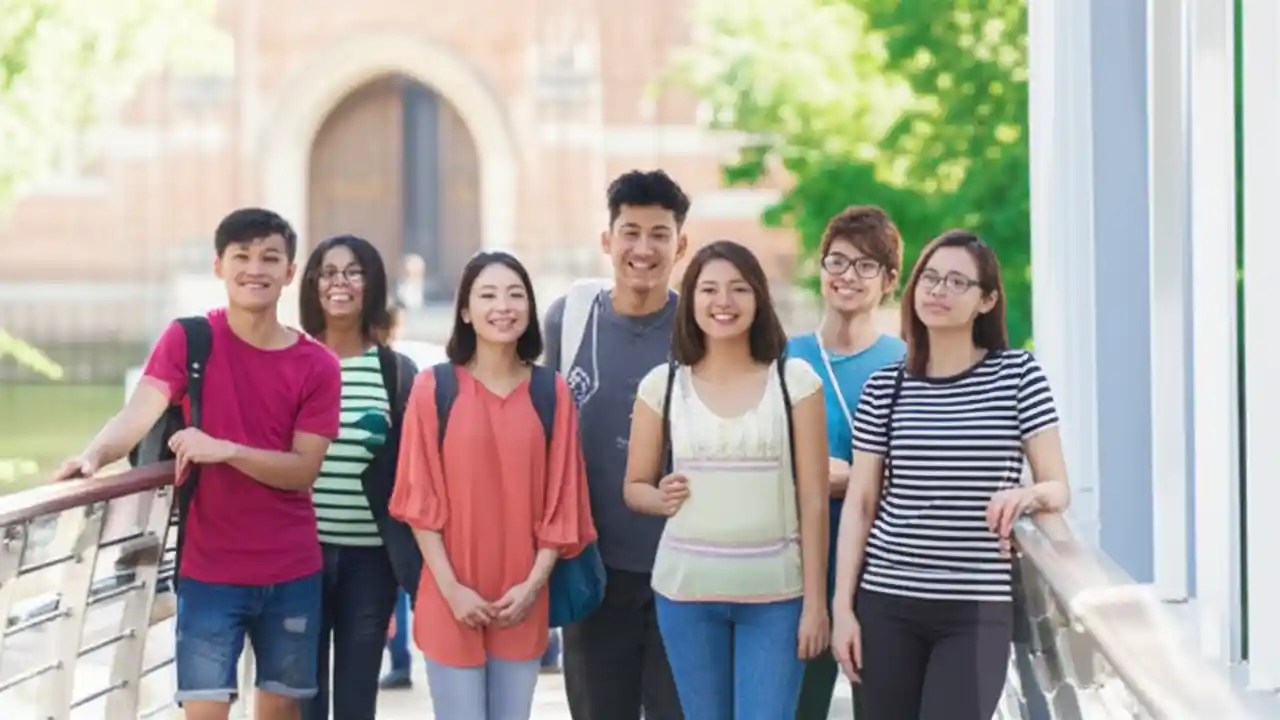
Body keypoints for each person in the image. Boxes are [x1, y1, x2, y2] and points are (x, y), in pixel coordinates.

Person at [52, 207, 341, 719]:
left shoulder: (317, 364)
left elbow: (303, 470)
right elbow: (138, 414)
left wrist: (226, 449)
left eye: (270, 258)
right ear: (219, 266)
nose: (256, 269)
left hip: (291, 569)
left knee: (277, 714)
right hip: (209, 571)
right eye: (242, 257)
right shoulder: (190, 341)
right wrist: (94, 455)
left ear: (290, 273)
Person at [830, 230, 1071, 719]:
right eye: (931, 278)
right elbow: (860, 504)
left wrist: (1026, 497)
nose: (938, 291)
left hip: (976, 608)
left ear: (987, 300)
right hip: (887, 601)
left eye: (957, 282)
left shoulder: (1019, 376)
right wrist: (842, 611)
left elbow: (1057, 487)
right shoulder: (886, 386)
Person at [622, 239, 831, 719]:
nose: (724, 302)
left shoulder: (795, 380)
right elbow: (634, 486)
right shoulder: (663, 384)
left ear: (759, 299)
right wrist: (657, 498)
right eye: (709, 289)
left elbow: (815, 501)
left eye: (739, 289)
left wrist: (815, 606)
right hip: (686, 597)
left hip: (778, 600)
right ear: (690, 300)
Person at [390, 251, 597, 719]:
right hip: (449, 592)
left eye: (515, 294)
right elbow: (418, 501)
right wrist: (453, 590)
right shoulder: (433, 389)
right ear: (465, 310)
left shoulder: (551, 392)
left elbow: (562, 502)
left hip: (521, 596)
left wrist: (531, 587)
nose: (503, 306)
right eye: (487, 295)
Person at [543, 169, 689, 719]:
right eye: (630, 232)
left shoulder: (700, 326)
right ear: (607, 240)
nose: (644, 249)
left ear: (681, 243)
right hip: (593, 573)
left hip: (683, 574)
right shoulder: (569, 320)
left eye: (659, 234)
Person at [785, 207, 906, 719]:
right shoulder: (783, 358)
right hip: (797, 572)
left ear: (889, 281)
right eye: (837, 261)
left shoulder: (906, 364)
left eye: (865, 266)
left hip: (882, 574)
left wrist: (852, 478)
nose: (847, 277)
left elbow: (923, 472)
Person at [298, 235, 422, 720]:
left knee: (356, 700)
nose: (340, 283)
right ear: (312, 284)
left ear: (372, 285)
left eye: (354, 272)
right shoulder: (294, 363)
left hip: (371, 563)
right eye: (328, 272)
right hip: (298, 559)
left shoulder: (396, 372)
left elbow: (415, 471)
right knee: (303, 695)